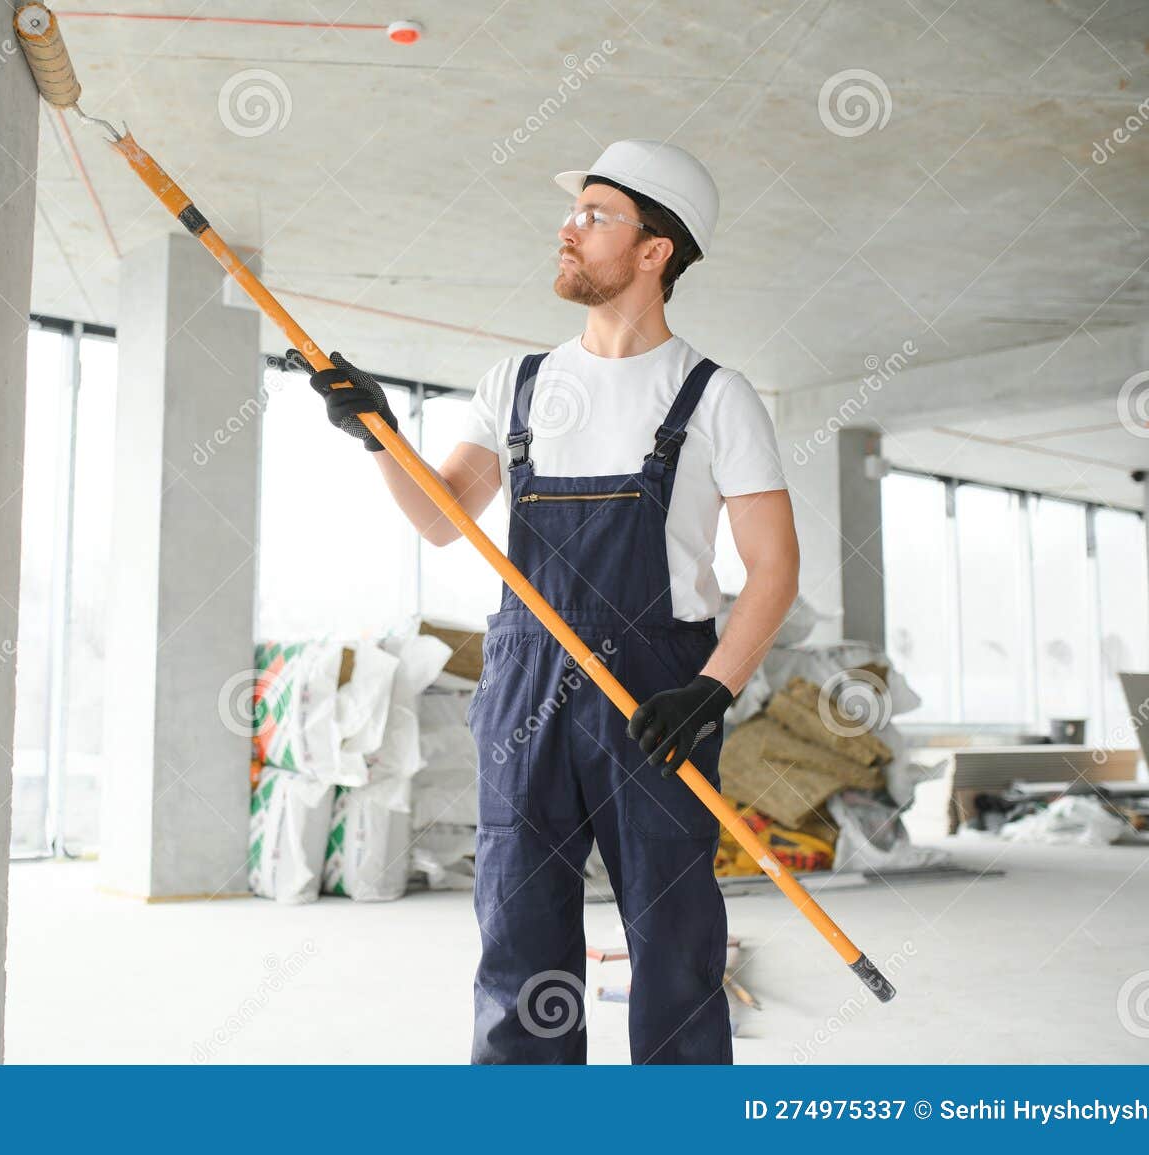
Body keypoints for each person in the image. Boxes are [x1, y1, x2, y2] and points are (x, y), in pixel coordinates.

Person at [301, 140, 799, 1064]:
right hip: (526, 683)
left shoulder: (716, 396)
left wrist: (714, 691)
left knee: (676, 940)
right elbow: (444, 519)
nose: (568, 227)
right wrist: (378, 434)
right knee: (520, 936)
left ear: (655, 251)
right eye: (575, 212)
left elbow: (774, 567)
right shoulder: (518, 384)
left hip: (658, 693)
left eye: (597, 214)